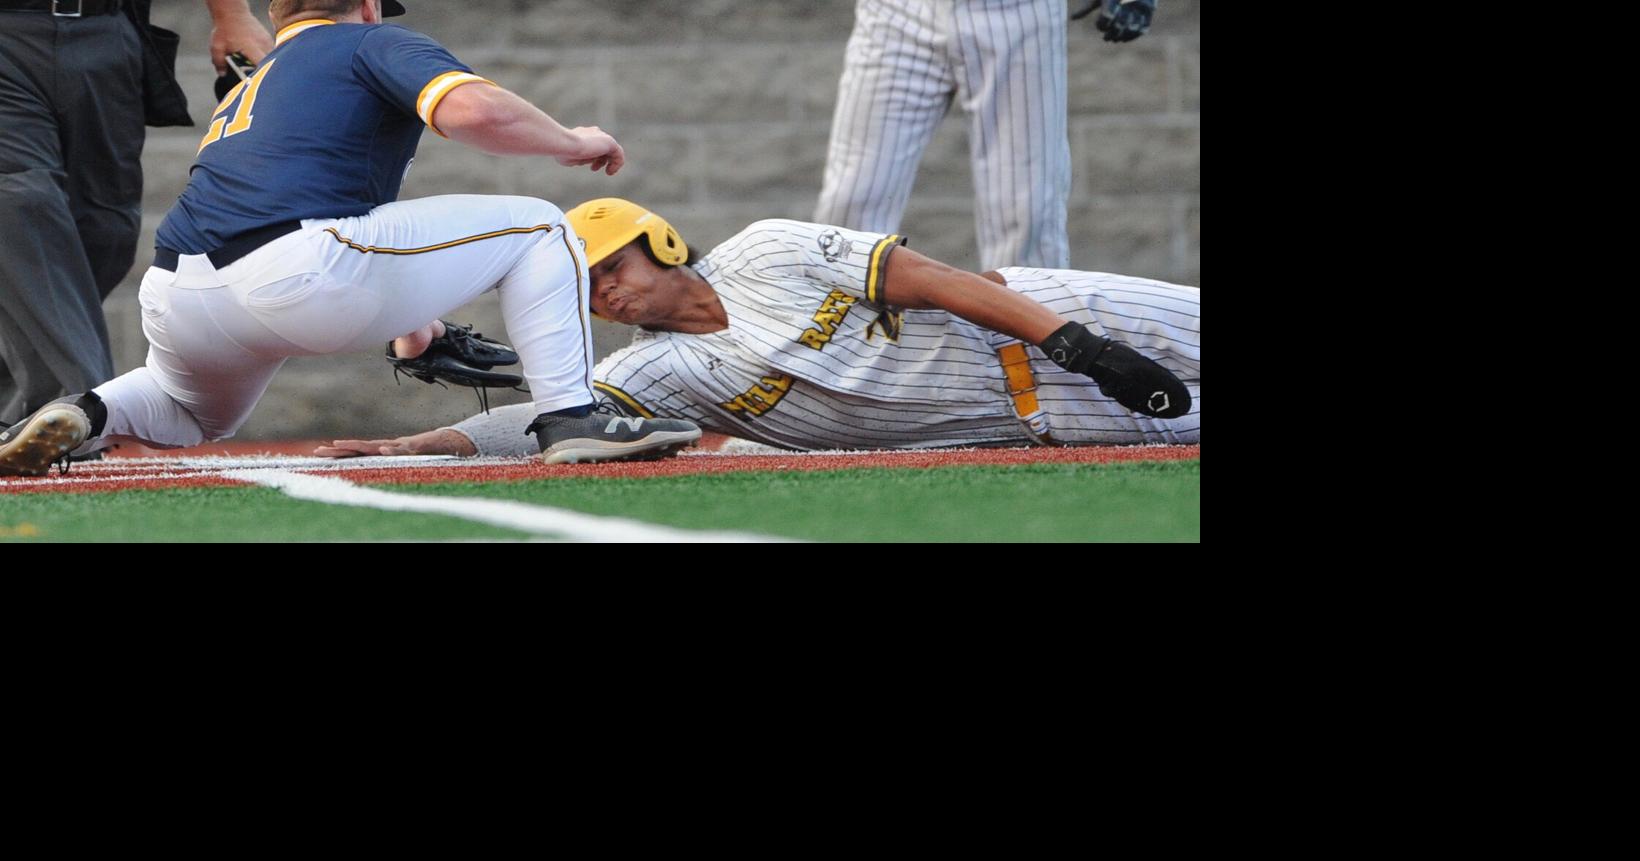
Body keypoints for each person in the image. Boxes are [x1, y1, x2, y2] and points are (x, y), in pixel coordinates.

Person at [0, 1, 700, 477]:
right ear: (365, 2)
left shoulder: (265, 76)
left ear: (280, 15)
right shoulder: (368, 38)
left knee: (184, 408)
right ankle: (572, 418)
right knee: (542, 225)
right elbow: (472, 110)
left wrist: (415, 326)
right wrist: (572, 139)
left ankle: (86, 410)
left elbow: (330, 230)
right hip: (298, 267)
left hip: (182, 291)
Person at [314, 197, 1198, 459]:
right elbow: (547, 414)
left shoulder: (769, 248)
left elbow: (932, 279)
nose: (607, 296)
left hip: (1058, 314)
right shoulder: (659, 373)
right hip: (1038, 415)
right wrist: (410, 444)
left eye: (613, 268)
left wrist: (1077, 342)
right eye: (587, 293)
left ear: (660, 242)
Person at [0, 0, 274, 428]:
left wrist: (231, 14)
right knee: (21, 202)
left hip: (107, 30)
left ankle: (21, 414)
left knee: (106, 231)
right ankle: (76, 412)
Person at [813, 0, 1156, 272]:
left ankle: (1025, 354)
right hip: (896, 12)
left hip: (1015, 12)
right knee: (851, 198)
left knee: (1027, 211)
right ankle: (831, 344)